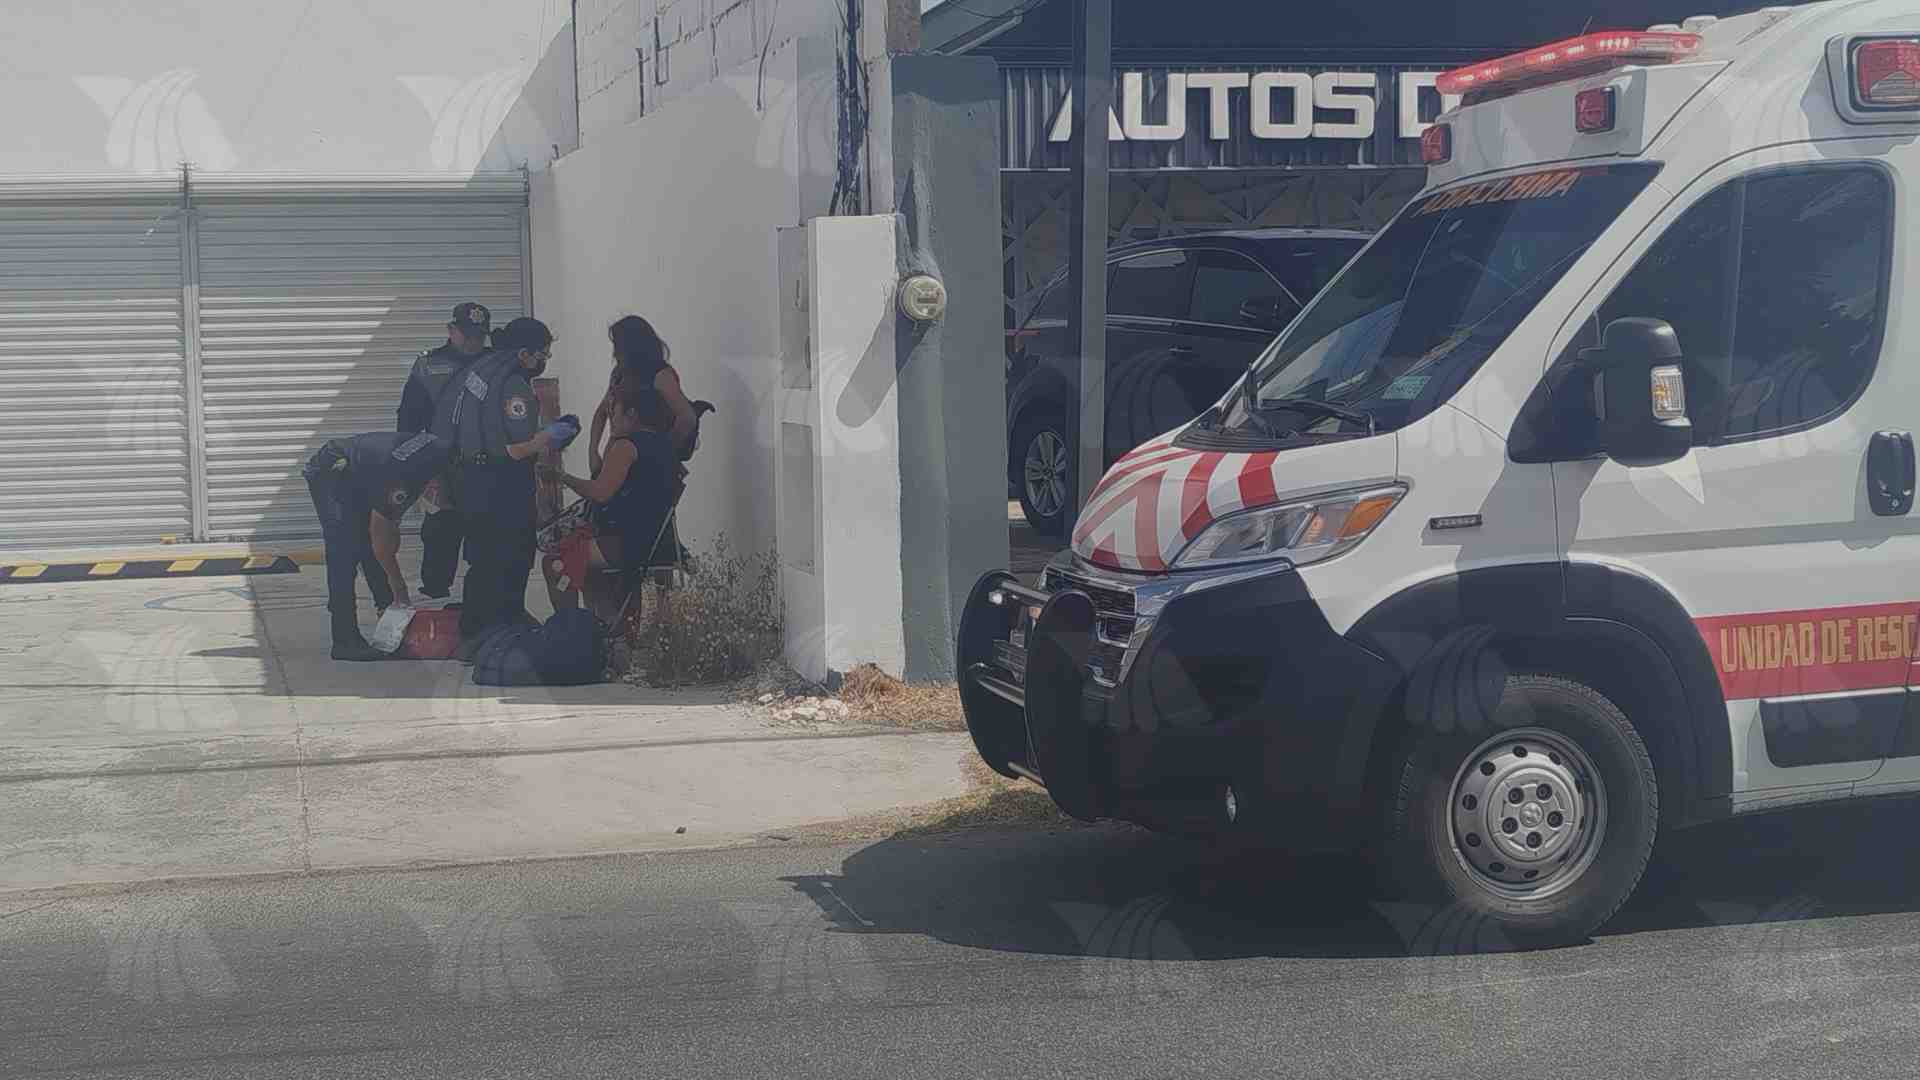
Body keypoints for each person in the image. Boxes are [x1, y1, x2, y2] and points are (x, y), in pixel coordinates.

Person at [431, 316, 579, 659]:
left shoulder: (484, 368)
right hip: (501, 480)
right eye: (544, 354)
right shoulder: (514, 384)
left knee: (485, 555)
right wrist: (554, 434)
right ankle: (499, 627)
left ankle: (484, 628)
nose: (544, 361)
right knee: (509, 555)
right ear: (526, 353)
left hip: (470, 476)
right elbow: (514, 448)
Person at [301, 430, 455, 661]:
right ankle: (345, 641)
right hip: (333, 469)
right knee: (345, 550)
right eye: (440, 501)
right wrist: (400, 588)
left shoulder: (445, 454)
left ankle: (389, 611)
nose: (435, 505)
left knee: (364, 543)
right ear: (434, 485)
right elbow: (382, 537)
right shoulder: (408, 477)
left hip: (359, 474)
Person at [539, 376, 681, 617]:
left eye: (613, 412)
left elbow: (600, 493)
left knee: (554, 563)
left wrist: (561, 477)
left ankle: (571, 628)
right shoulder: (665, 446)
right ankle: (604, 628)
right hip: (661, 545)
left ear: (632, 414)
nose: (611, 420)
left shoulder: (626, 447)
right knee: (587, 567)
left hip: (628, 545)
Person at [397, 302, 492, 599]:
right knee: (440, 536)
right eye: (467, 334)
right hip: (442, 465)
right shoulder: (428, 366)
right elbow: (408, 425)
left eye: (480, 335)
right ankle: (435, 603)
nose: (473, 341)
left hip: (487, 466)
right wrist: (422, 473)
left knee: (485, 541)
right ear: (451, 331)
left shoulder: (496, 363)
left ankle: (481, 603)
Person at [590, 315, 698, 569]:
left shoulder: (660, 375)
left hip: (644, 467)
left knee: (651, 530)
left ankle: (663, 592)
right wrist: (593, 449)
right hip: (616, 460)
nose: (614, 352)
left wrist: (662, 449)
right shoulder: (620, 374)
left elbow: (686, 417)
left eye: (617, 345)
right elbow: (601, 412)